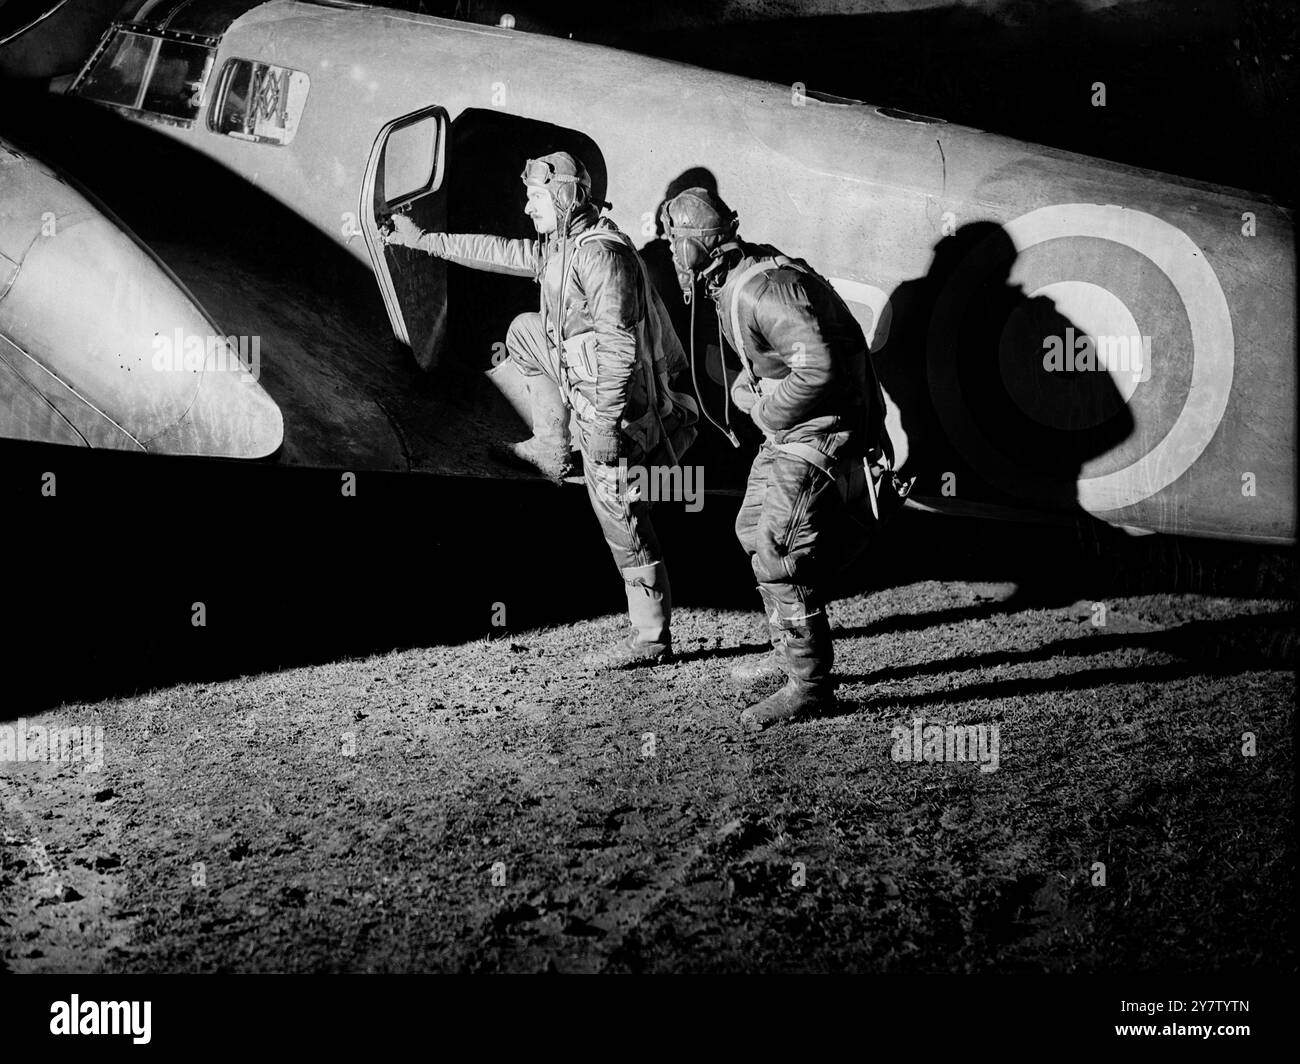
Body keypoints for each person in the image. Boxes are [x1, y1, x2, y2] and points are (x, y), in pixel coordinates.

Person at [384, 152, 697, 669]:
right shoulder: (565, 247)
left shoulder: (602, 258)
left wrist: (601, 427)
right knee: (526, 331)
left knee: (620, 514)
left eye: (535, 198)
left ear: (565, 197)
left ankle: (651, 635)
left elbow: (620, 351)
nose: (527, 208)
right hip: (594, 388)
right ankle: (553, 446)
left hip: (623, 408)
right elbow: (504, 251)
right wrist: (424, 241)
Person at [660, 187, 896, 731]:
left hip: (814, 433)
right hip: (795, 430)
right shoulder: (739, 276)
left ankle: (810, 686)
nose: (671, 251)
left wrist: (766, 410)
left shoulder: (763, 291)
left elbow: (819, 369)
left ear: (698, 244)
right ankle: (791, 652)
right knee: (752, 529)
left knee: (778, 551)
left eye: (675, 240)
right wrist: (751, 384)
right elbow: (776, 357)